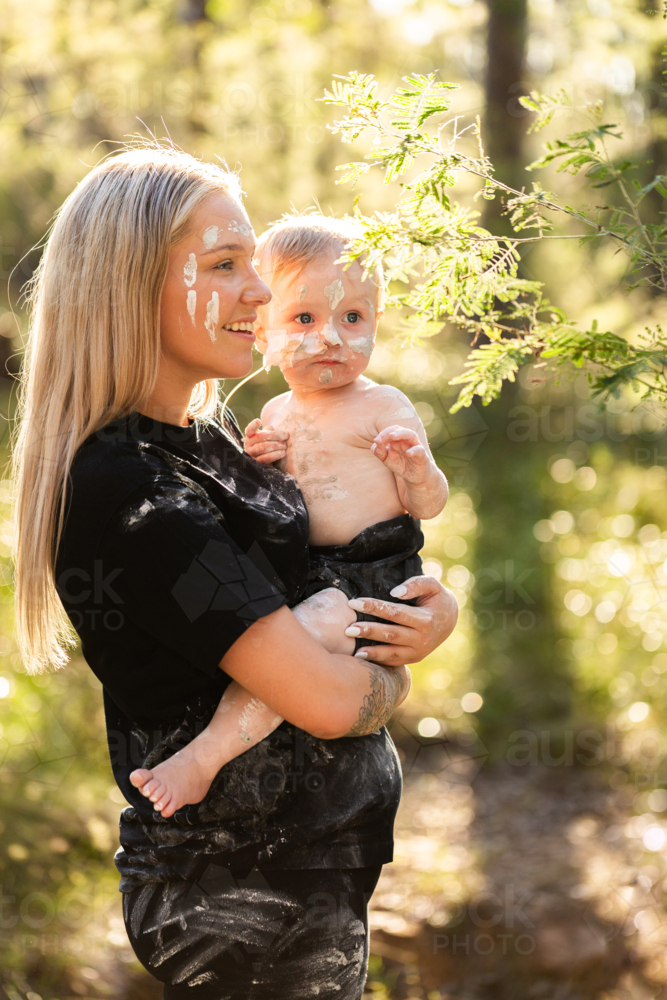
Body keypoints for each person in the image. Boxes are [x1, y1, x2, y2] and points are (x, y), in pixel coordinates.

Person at [13, 142, 458, 999]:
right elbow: (329, 703)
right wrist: (391, 675)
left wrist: (427, 615)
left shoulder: (208, 442)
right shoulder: (133, 491)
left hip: (305, 878)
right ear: (127, 284)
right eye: (224, 265)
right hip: (238, 903)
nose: (259, 291)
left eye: (251, 264)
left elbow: (334, 572)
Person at [130, 214, 449, 821]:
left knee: (294, 648)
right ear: (265, 331)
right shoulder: (275, 412)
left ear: (376, 321)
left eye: (352, 317)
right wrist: (263, 466)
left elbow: (430, 504)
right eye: (304, 318)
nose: (330, 336)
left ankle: (204, 757)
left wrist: (413, 470)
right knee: (295, 652)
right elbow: (274, 512)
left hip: (368, 576)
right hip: (310, 576)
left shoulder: (383, 405)